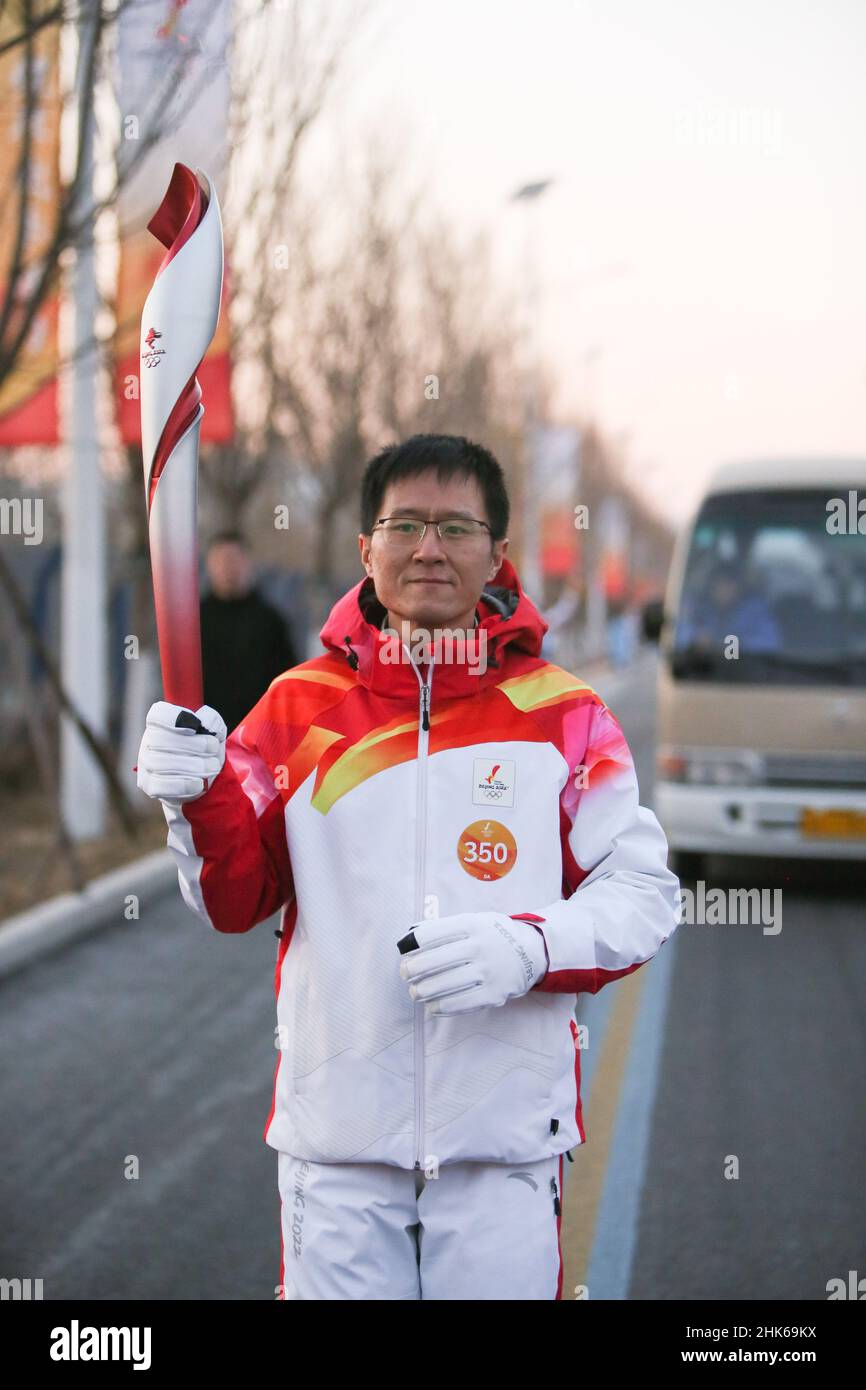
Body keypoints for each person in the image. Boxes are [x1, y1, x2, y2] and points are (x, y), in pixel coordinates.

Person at [137, 433, 679, 1301]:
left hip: (503, 1148)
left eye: (457, 526)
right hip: (339, 1149)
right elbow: (233, 897)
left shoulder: (564, 715)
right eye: (406, 524)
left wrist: (530, 948)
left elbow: (643, 894)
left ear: (497, 554)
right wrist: (193, 798)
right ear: (367, 549)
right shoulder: (296, 708)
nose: (429, 547)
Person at [199, 531, 300, 732]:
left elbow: (286, 682)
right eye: (221, 560)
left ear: (248, 563)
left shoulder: (270, 621)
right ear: (210, 565)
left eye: (234, 560)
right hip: (203, 737)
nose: (228, 568)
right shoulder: (193, 621)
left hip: (257, 735)